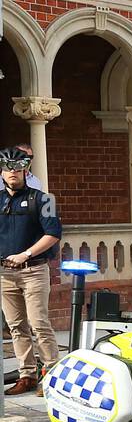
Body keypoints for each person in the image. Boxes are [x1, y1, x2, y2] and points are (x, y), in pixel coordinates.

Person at [1, 147, 62, 396]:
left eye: (17, 167)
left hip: (33, 271)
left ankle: (52, 374)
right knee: (16, 326)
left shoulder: (44, 199)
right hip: (5, 274)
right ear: (2, 172)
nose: (12, 172)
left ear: (26, 169)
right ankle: (27, 375)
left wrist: (26, 254)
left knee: (39, 324)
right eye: (7, 168)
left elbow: (53, 234)